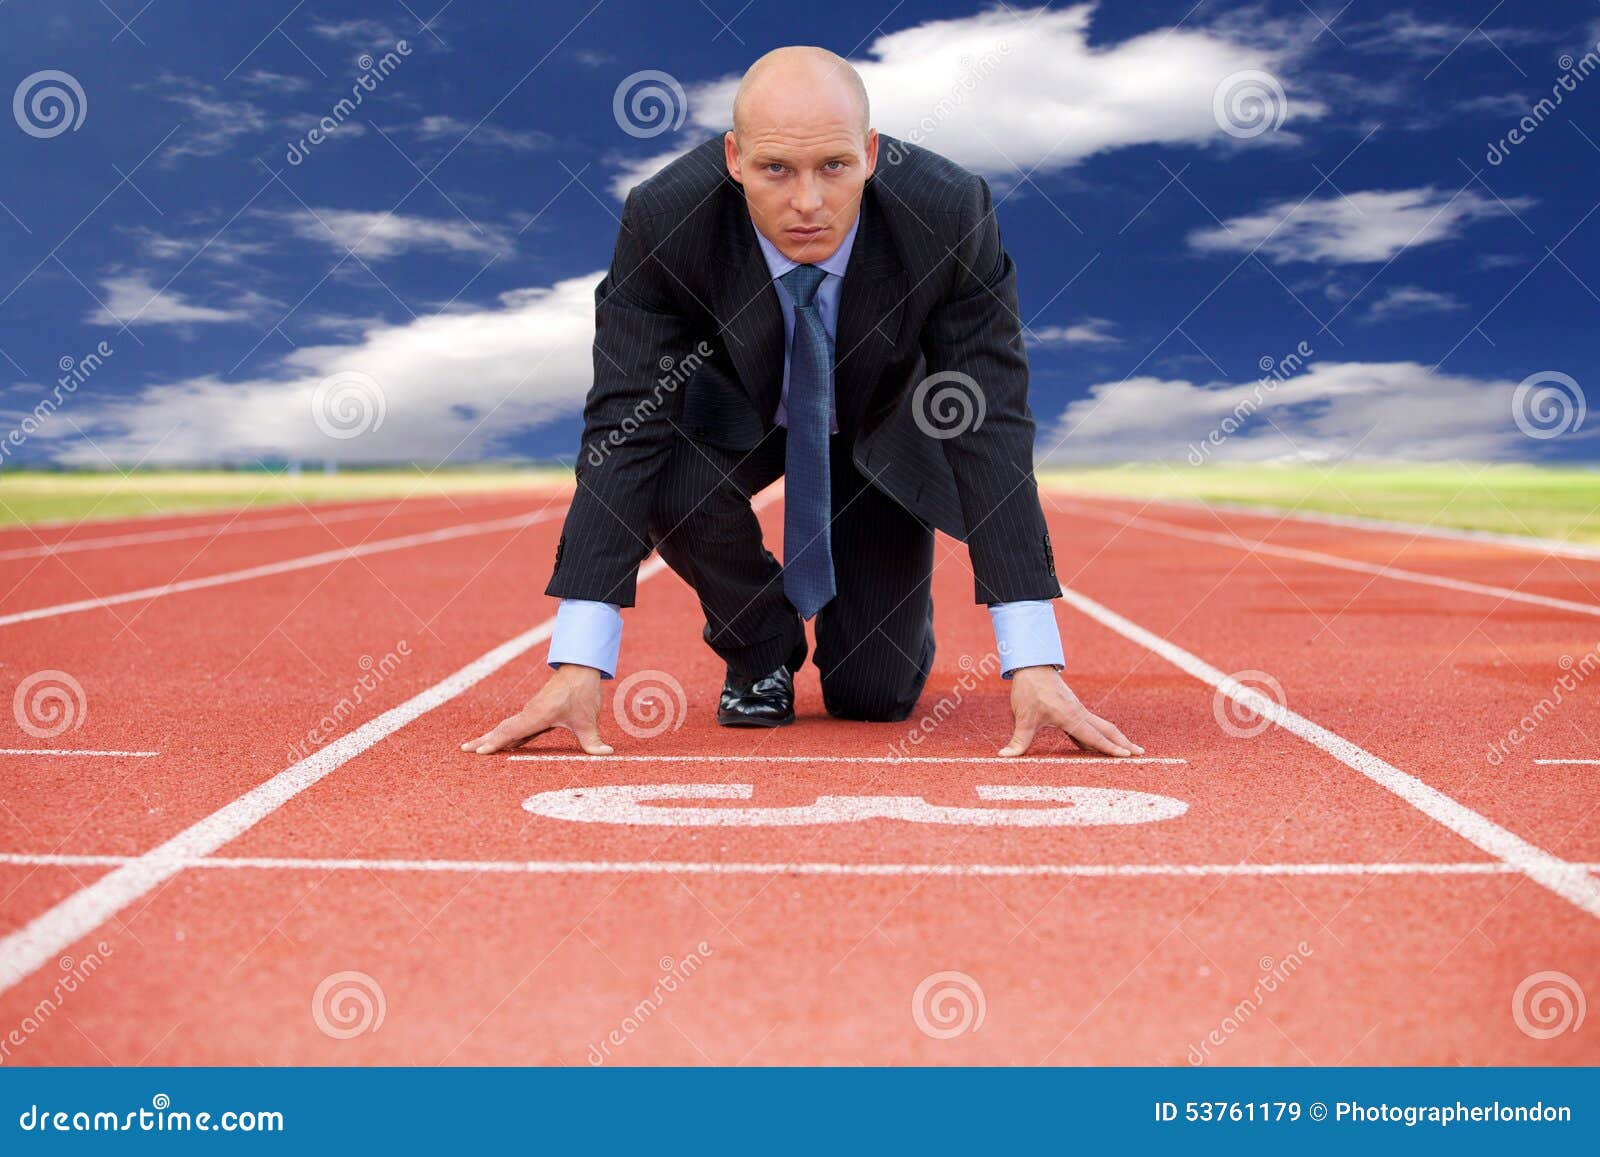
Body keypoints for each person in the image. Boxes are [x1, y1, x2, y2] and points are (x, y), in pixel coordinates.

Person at [462, 46, 1140, 760]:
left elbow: (990, 418)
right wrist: (579, 662)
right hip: (737, 417)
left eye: (835, 167)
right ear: (733, 157)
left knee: (873, 696)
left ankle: (882, 621)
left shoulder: (947, 212)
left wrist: (1033, 659)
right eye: (776, 169)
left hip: (880, 426)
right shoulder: (666, 218)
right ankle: (761, 649)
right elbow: (623, 423)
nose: (808, 203)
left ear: (872, 153)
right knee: (666, 469)